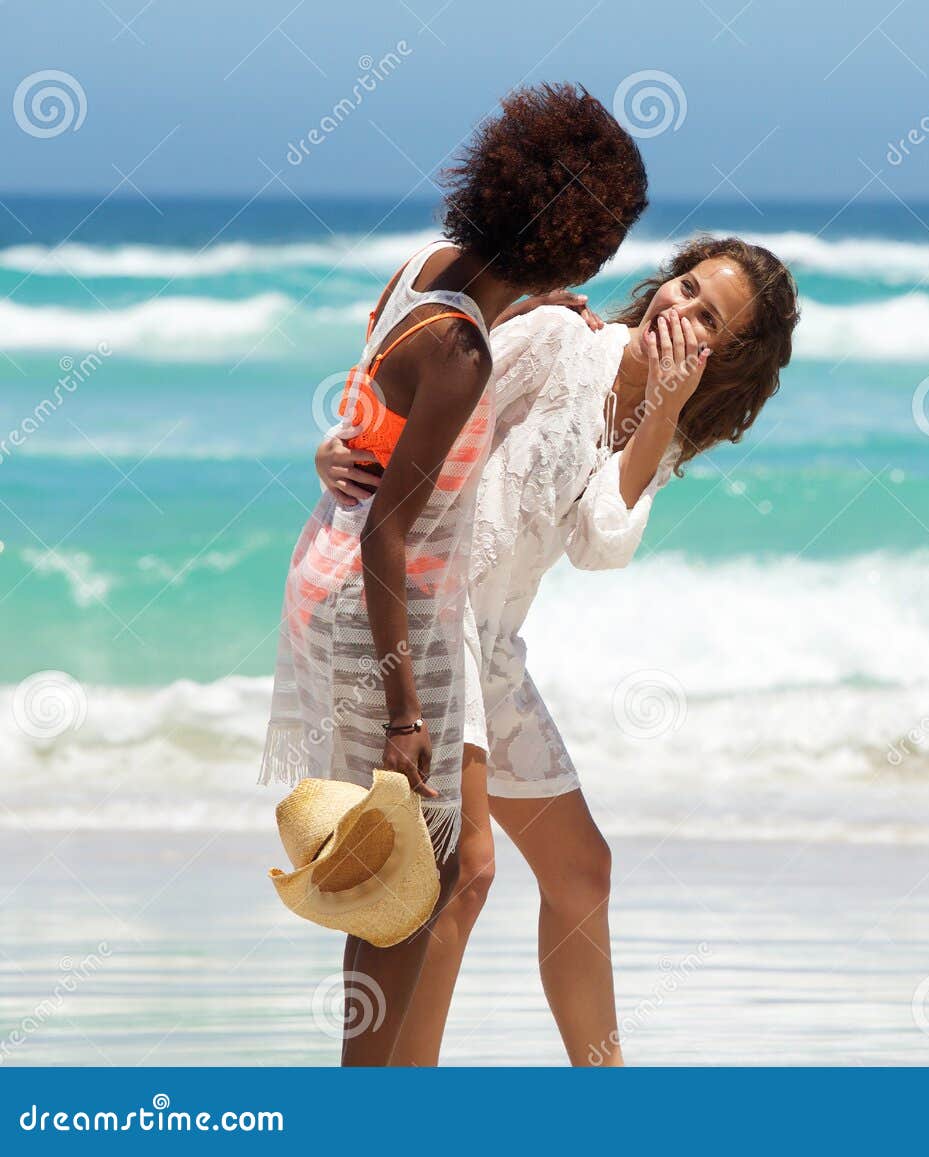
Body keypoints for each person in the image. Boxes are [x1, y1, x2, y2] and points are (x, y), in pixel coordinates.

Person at [315, 236, 800, 1063]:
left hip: (490, 641)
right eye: (682, 286)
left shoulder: (661, 423)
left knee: (582, 870)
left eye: (705, 316)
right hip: (429, 613)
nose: (675, 309)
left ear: (725, 357)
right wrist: (338, 443)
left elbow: (600, 542)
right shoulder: (558, 340)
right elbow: (424, 380)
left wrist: (666, 411)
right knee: (461, 875)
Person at [262, 83, 650, 1066]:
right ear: (575, 243)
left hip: (329, 575)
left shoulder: (427, 273)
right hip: (381, 610)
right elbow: (390, 535)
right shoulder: (464, 352)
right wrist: (403, 711)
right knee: (407, 883)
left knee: (406, 869)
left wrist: (341, 445)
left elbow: (372, 393)